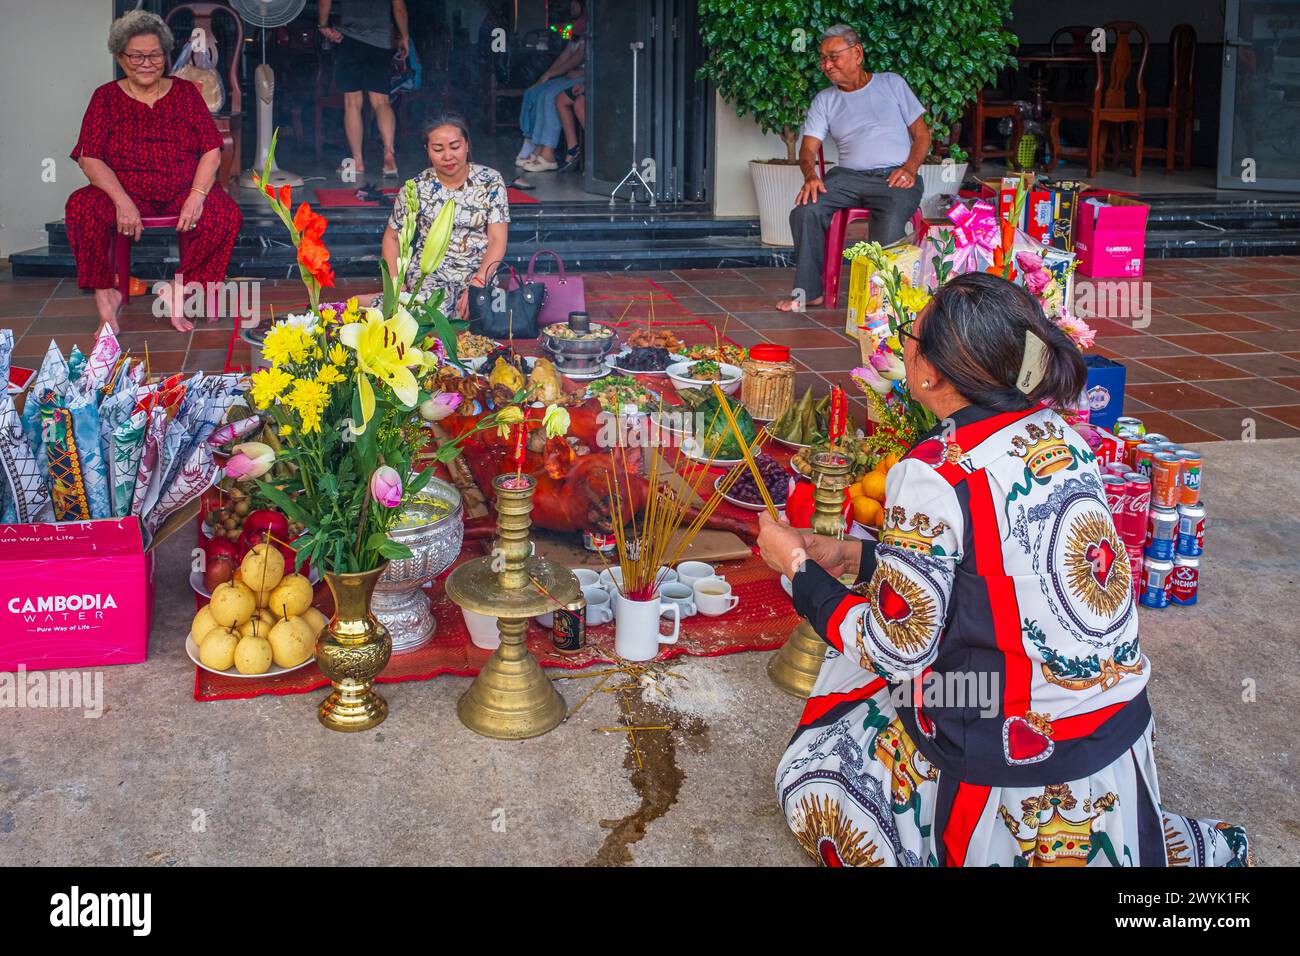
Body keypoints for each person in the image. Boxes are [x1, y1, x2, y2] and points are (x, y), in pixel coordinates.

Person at [757, 273, 1250, 867]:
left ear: (930, 374)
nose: (904, 345)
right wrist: (861, 558)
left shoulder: (935, 472)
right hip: (1111, 739)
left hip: (1009, 750)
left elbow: (897, 649)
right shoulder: (1061, 436)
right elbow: (998, 580)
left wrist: (798, 569)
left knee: (819, 767)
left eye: (910, 335)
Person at [66, 10, 242, 333]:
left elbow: (211, 149)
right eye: (137, 56)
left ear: (165, 55)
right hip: (125, 192)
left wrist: (197, 195)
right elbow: (89, 157)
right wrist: (121, 200)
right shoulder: (105, 98)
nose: (146, 63)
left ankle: (182, 287)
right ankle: (106, 294)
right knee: (81, 206)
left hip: (182, 190)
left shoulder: (186, 93)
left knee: (225, 213)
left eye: (155, 55)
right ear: (121, 58)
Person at [776, 24, 929, 312]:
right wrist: (811, 176)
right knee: (805, 210)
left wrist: (910, 168)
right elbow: (807, 149)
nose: (827, 65)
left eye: (833, 57)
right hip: (846, 178)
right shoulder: (825, 100)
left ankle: (882, 300)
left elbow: (922, 135)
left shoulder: (891, 84)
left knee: (891, 217)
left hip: (894, 175)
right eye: (822, 59)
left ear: (857, 53)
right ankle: (809, 293)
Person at [383, 116, 509, 320]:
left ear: (467, 145)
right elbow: (391, 237)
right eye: (438, 149)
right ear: (428, 151)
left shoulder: (490, 181)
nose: (448, 156)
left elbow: (497, 239)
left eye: (455, 146)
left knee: (481, 314)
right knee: (432, 315)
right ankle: (392, 301)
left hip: (477, 271)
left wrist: (479, 282)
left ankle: (379, 303)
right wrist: (397, 285)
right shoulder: (416, 187)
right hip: (430, 273)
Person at [318, 0, 410, 178]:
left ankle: (357, 162)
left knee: (352, 103)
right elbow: (399, 6)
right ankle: (389, 153)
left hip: (349, 40)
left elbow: (324, 2)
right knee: (381, 101)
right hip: (380, 41)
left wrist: (323, 25)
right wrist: (404, 35)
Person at [516, 1, 587, 172]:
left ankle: (547, 151)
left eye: (573, 2)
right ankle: (535, 143)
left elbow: (577, 58)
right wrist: (548, 73)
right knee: (534, 92)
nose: (570, 6)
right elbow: (566, 55)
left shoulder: (589, 24)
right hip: (572, 74)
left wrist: (551, 74)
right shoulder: (577, 27)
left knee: (549, 97)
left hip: (583, 76)